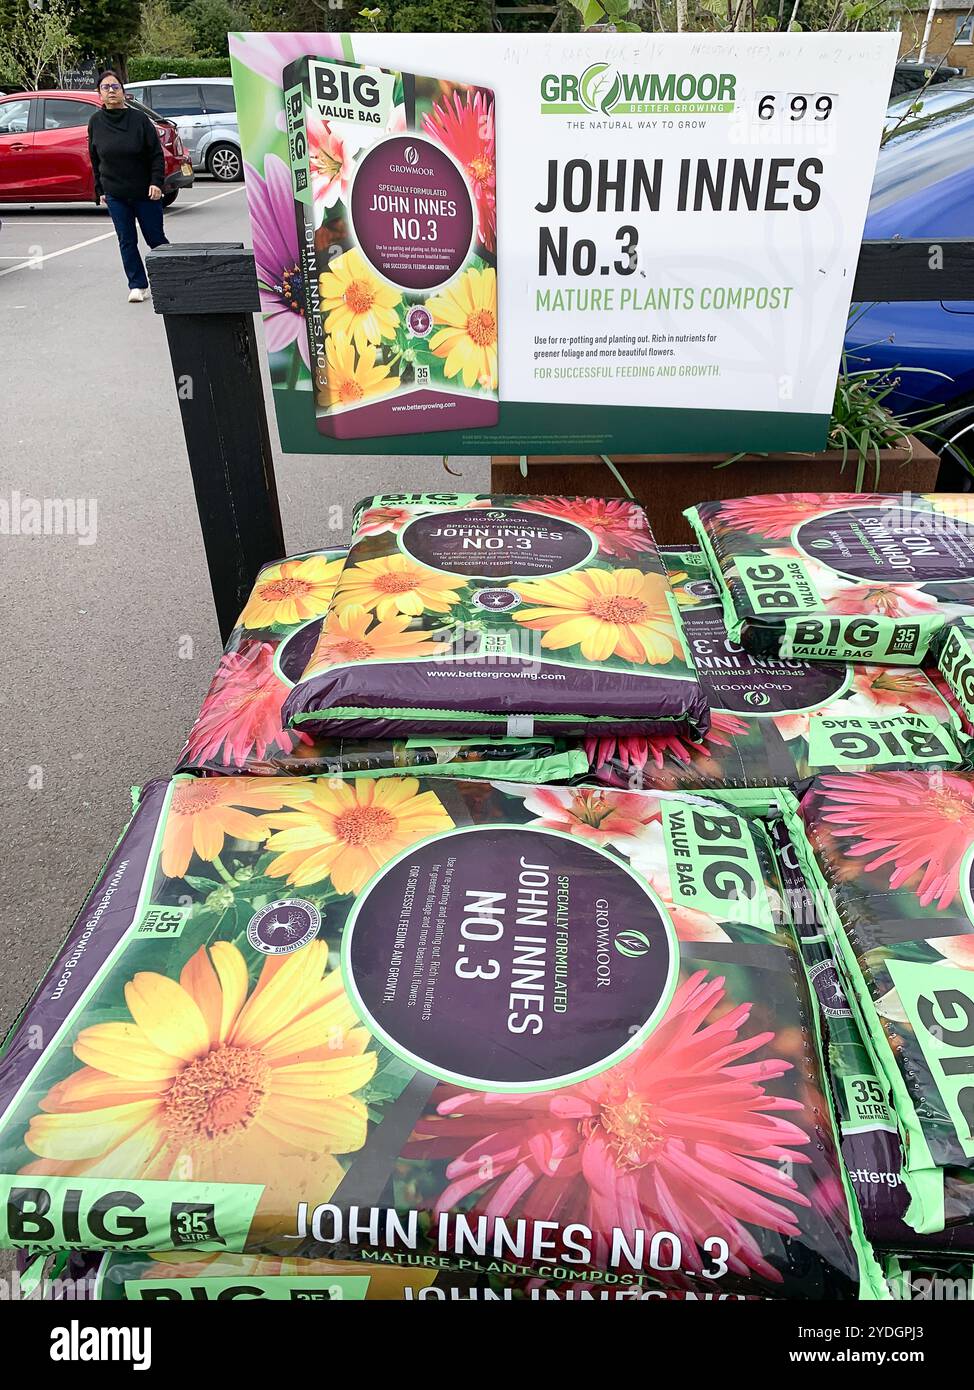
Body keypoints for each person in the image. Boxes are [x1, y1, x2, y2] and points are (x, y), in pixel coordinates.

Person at [88, 70, 170, 303]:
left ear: (123, 91)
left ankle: (170, 279)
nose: (111, 91)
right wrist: (100, 190)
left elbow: (156, 154)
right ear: (99, 93)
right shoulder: (95, 122)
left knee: (155, 238)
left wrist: (157, 182)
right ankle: (137, 285)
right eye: (106, 88)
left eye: (115, 87)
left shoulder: (139, 120)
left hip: (145, 191)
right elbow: (95, 157)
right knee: (126, 239)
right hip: (115, 193)